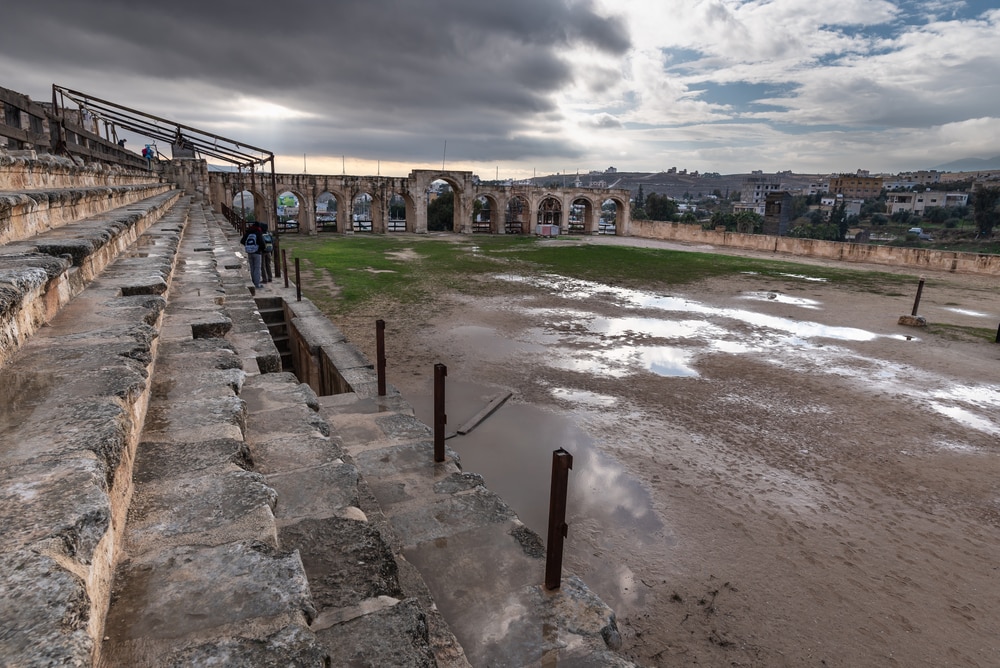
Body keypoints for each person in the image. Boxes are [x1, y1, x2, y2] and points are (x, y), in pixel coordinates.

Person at [240, 222, 265, 289]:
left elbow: (242, 241)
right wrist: (259, 248)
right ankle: (257, 284)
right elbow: (262, 244)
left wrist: (248, 246)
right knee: (257, 268)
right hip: (257, 253)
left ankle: (253, 281)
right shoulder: (258, 232)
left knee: (252, 267)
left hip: (249, 252)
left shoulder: (248, 232)